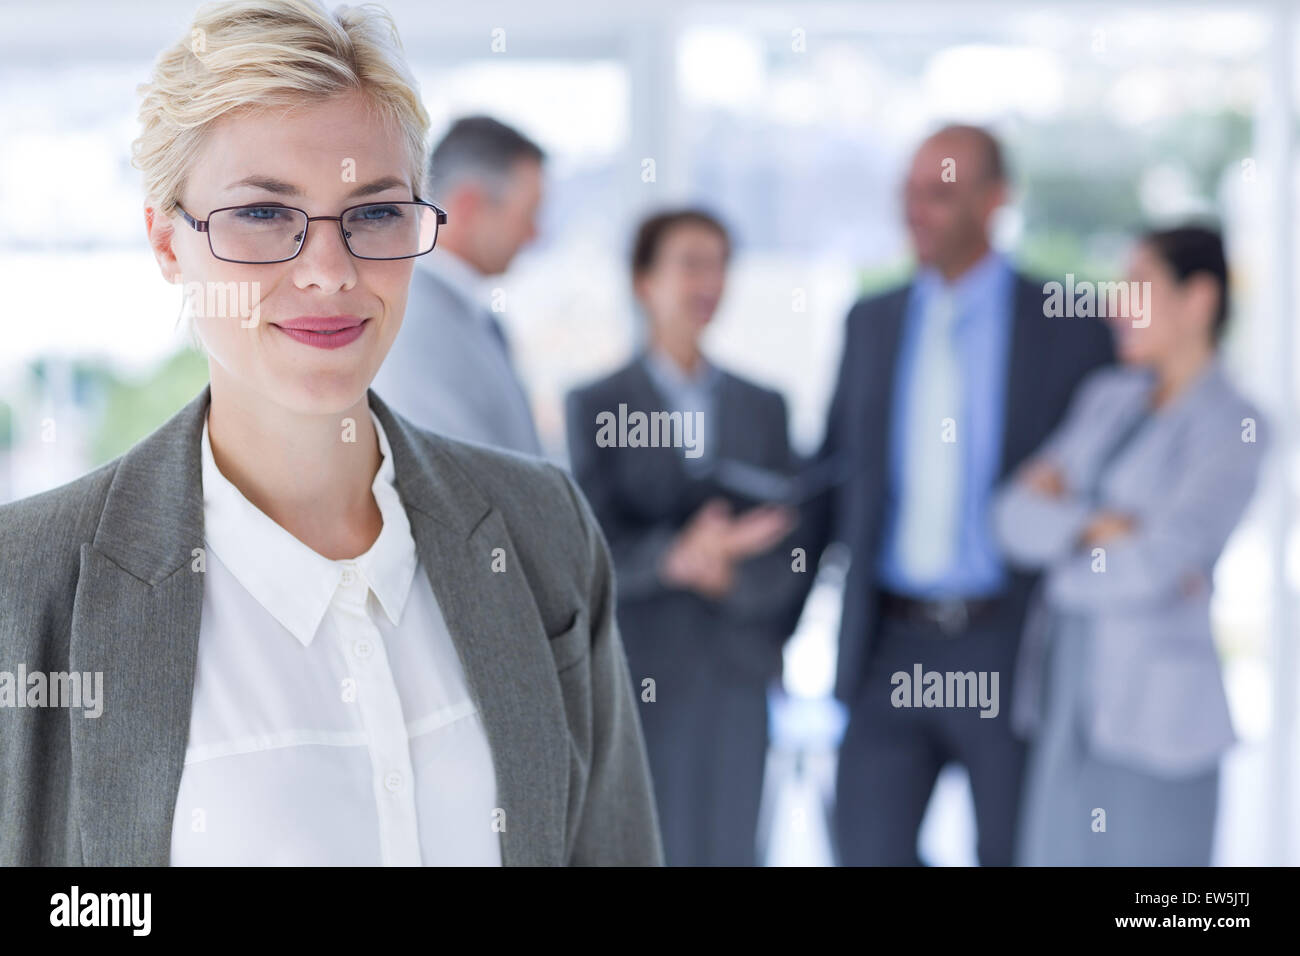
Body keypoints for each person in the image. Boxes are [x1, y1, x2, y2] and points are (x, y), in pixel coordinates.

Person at [0, 0, 661, 867]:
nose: (328, 272)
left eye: (375, 213)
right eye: (263, 214)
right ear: (166, 242)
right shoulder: (28, 584)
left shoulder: (543, 530)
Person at [790, 124, 1114, 865]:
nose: (915, 210)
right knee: (866, 850)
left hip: (1010, 645)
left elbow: (1112, 461)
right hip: (889, 644)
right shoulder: (872, 320)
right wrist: (772, 613)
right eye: (907, 192)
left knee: (1017, 852)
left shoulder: (1068, 323)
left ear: (995, 201)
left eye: (938, 193)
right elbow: (833, 481)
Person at [994, 225, 1267, 866]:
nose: (1117, 305)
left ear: (1199, 299)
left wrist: (1063, 529)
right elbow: (1009, 519)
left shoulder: (1238, 425)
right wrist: (1100, 526)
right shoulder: (1106, 399)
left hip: (1159, 720)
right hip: (1066, 695)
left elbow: (1154, 566)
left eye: (1139, 284)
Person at [565, 209, 801, 866]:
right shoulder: (597, 403)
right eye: (691, 264)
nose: (710, 281)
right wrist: (677, 557)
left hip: (737, 668)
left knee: (732, 844)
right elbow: (586, 546)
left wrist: (729, 574)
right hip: (643, 668)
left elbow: (794, 545)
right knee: (641, 843)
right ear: (644, 282)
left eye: (721, 265)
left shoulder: (764, 406)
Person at [370, 115, 545, 455]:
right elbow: (452, 469)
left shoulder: (464, 313)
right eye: (528, 214)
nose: (534, 234)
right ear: (469, 205)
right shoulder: (415, 321)